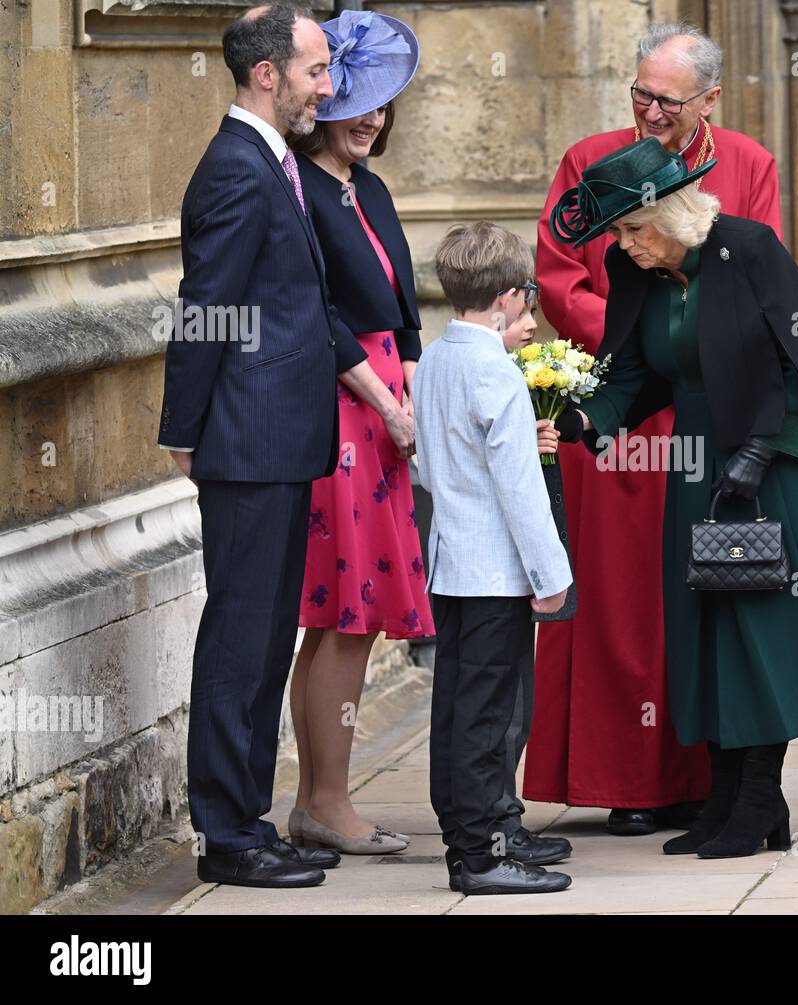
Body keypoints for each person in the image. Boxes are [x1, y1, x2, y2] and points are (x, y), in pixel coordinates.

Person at [549, 139, 798, 858]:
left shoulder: (747, 249)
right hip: (699, 463)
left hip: (779, 464)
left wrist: (762, 448)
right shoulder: (632, 270)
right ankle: (729, 796)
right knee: (708, 631)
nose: (623, 246)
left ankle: (757, 797)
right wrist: (581, 419)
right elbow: (634, 373)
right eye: (617, 234)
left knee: (766, 632)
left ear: (673, 214)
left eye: (633, 230)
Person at [158, 3, 414, 889]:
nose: (329, 86)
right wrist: (182, 431)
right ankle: (228, 836)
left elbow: (296, 303)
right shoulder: (235, 168)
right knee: (240, 641)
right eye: (315, 71)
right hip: (247, 443)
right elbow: (209, 310)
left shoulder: (275, 165)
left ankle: (249, 823)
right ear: (267, 74)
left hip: (280, 440)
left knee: (266, 640)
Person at [527, 21, 784, 839]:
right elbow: (561, 275)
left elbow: (764, 284)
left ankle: (717, 782)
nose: (647, 111)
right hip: (626, 408)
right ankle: (627, 776)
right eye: (638, 94)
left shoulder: (750, 165)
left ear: (710, 97)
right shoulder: (589, 159)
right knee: (621, 600)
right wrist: (647, 343)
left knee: (709, 597)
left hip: (715, 413)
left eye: (665, 99)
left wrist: (694, 340)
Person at [277, 9, 431, 855]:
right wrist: (387, 403)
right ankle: (325, 803)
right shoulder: (296, 185)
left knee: (352, 615)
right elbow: (322, 317)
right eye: (354, 103)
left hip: (384, 409)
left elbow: (395, 313)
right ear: (320, 101)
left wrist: (417, 396)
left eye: (382, 104)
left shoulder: (368, 187)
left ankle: (319, 800)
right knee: (343, 610)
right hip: (344, 411)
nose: (370, 117)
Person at [413, 222, 574, 895]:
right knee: (485, 711)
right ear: (508, 298)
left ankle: (475, 827)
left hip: (450, 562)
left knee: (456, 703)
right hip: (495, 570)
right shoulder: (498, 374)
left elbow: (426, 463)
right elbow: (519, 489)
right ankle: (480, 852)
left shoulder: (434, 361)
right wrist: (552, 573)